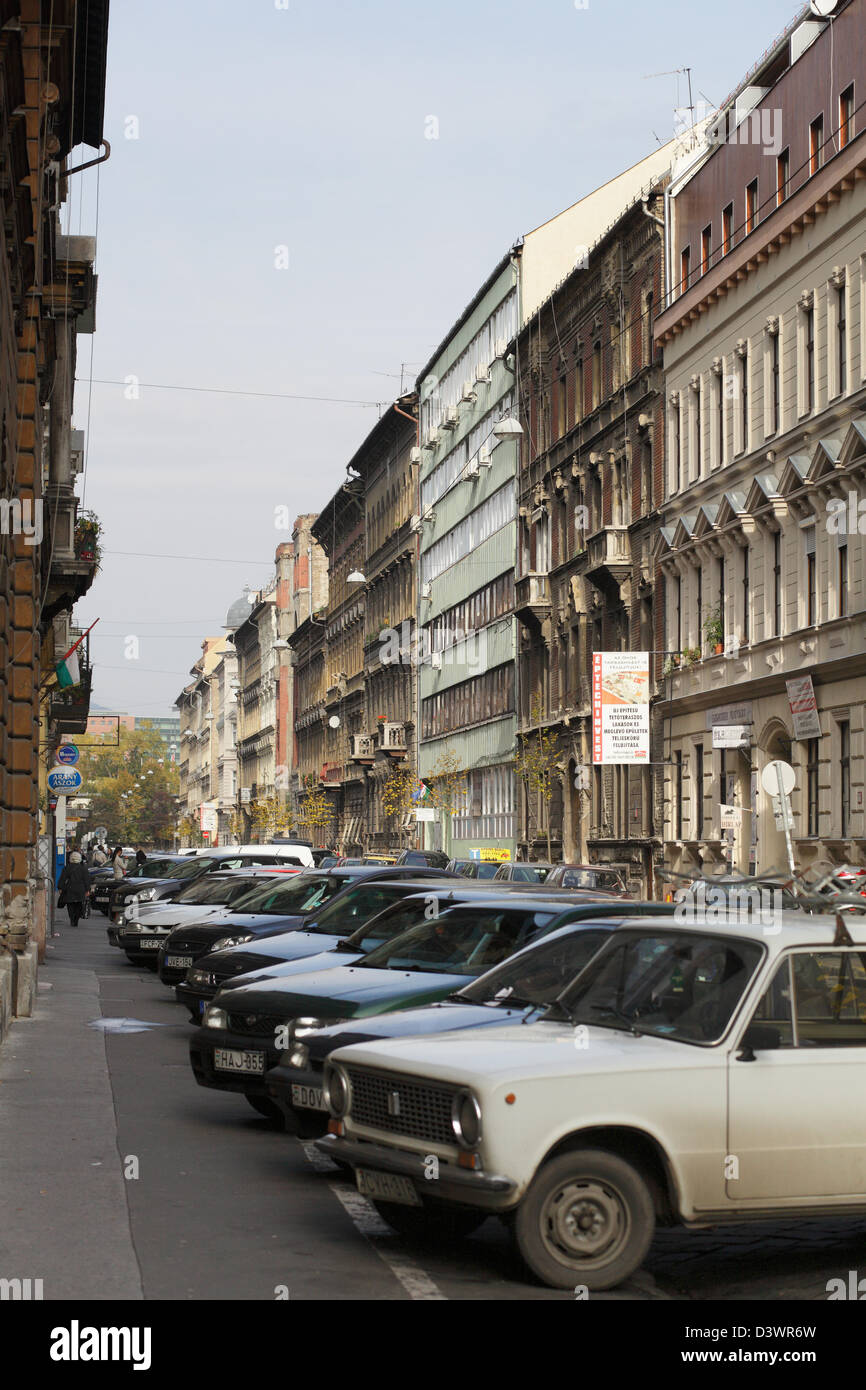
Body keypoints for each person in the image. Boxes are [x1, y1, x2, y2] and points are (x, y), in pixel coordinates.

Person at [57, 852, 91, 928]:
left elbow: (63, 878)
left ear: (70, 859)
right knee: (79, 905)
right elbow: (87, 880)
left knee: (70, 905)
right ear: (79, 859)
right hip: (80, 889)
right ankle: (76, 920)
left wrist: (60, 887)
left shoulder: (67, 867)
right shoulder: (83, 868)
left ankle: (72, 919)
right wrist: (88, 890)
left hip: (70, 888)